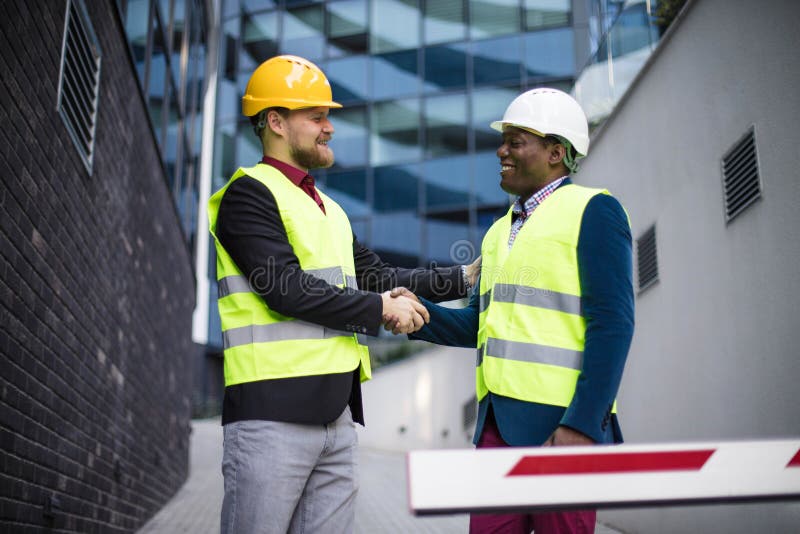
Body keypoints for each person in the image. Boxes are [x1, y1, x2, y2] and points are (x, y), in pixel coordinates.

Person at [207, 55, 472, 534]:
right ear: (276, 122)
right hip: (271, 419)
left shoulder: (329, 209)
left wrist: (464, 279)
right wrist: (380, 310)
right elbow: (285, 289)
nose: (329, 128)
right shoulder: (247, 195)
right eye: (317, 116)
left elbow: (376, 275)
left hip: (337, 419)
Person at [395, 88, 634, 533]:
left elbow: (613, 323)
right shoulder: (495, 233)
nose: (501, 150)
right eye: (503, 139)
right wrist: (420, 313)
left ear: (556, 152)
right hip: (496, 427)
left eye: (516, 140)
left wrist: (582, 424)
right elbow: (481, 324)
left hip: (562, 430)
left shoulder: (594, 211)